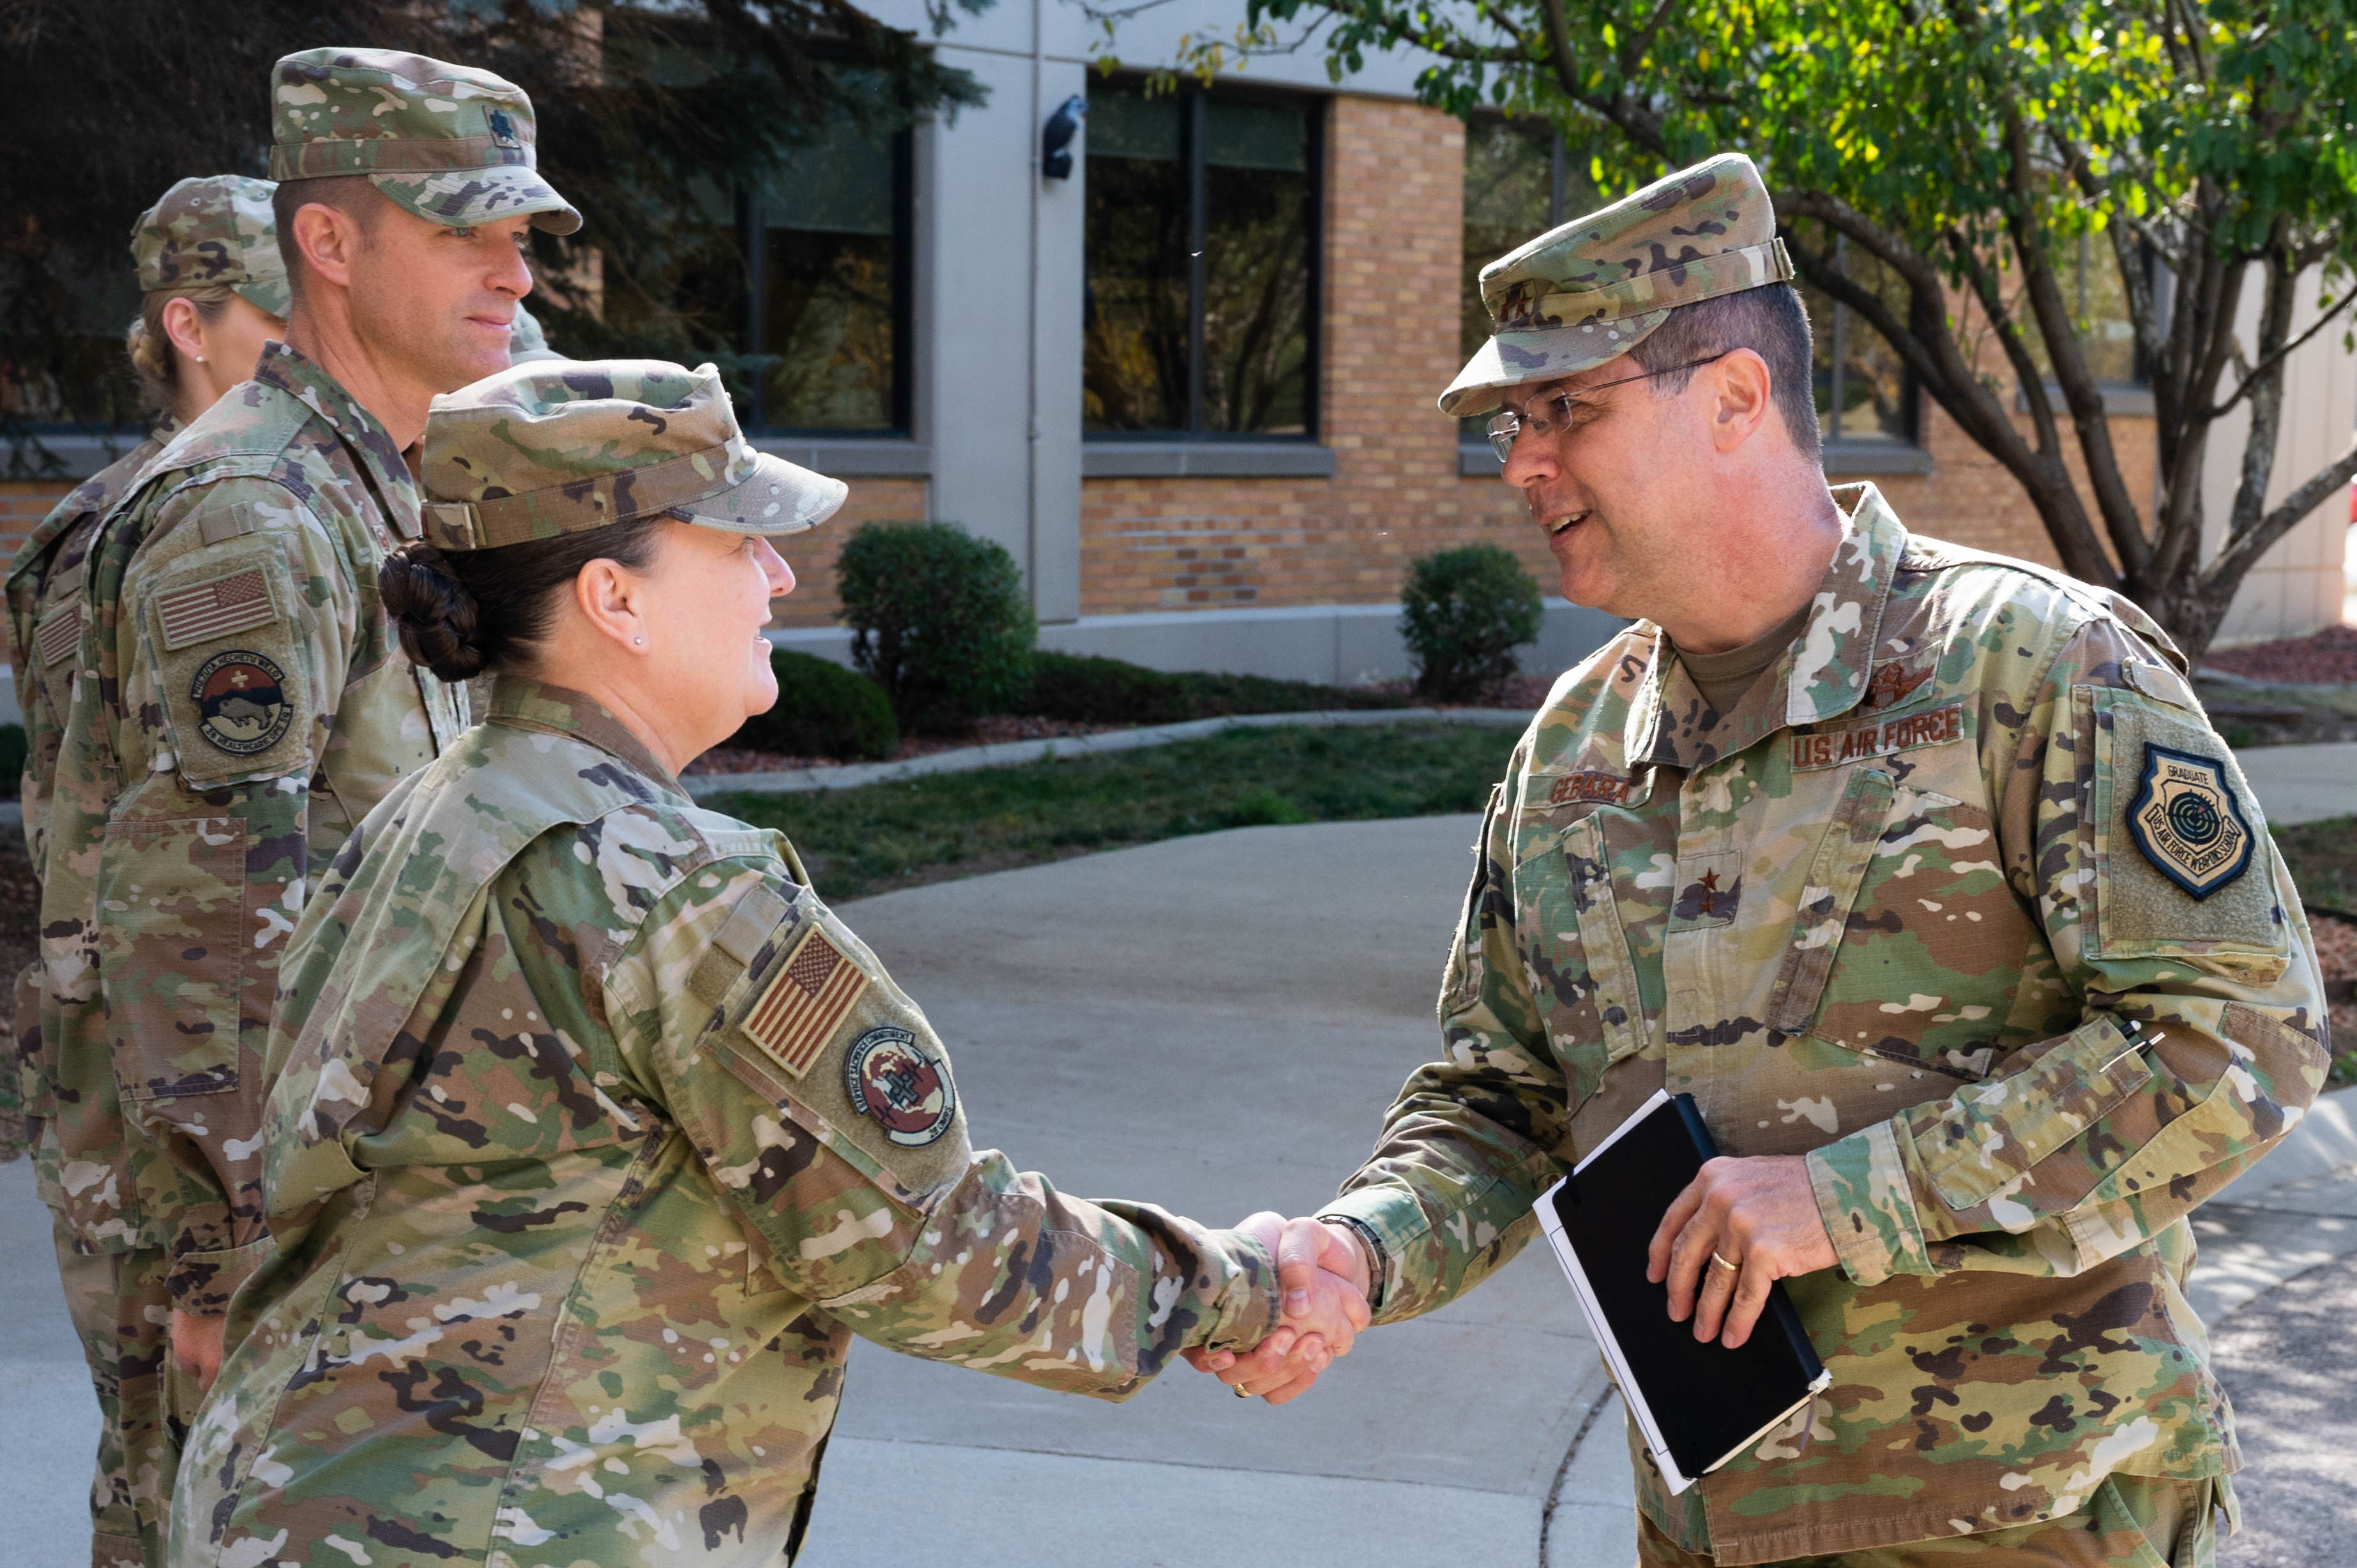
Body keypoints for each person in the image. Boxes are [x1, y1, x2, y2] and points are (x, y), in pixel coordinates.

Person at [1201, 153, 2329, 1565]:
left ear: (1734, 396)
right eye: (1514, 420)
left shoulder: (2028, 665)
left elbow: (2238, 1037)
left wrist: (1848, 1197)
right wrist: (1356, 1250)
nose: (1523, 457)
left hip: (2028, 1524)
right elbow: (1503, 1099)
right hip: (1711, 1527)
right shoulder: (1573, 750)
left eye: (1568, 407)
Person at [169, 359, 1368, 1568]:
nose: (782, 575)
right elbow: (933, 1247)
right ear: (612, 600)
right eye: (740, 544)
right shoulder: (677, 888)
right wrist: (1243, 1289)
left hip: (291, 1503)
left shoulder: (423, 816)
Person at [36, 47, 577, 1561]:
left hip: (353, 1201)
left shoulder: (381, 491)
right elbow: (203, 925)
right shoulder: (254, 514)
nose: (511, 269)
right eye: (465, 229)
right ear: (328, 246)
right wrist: (234, 1263)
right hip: (259, 1227)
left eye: (520, 234)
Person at [4, 173, 287, 1568]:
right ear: (190, 321)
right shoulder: (149, 532)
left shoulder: (311, 499)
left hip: (247, 1089)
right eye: (275, 319)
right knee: (175, 1465)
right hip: (150, 1099)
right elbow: (134, 857)